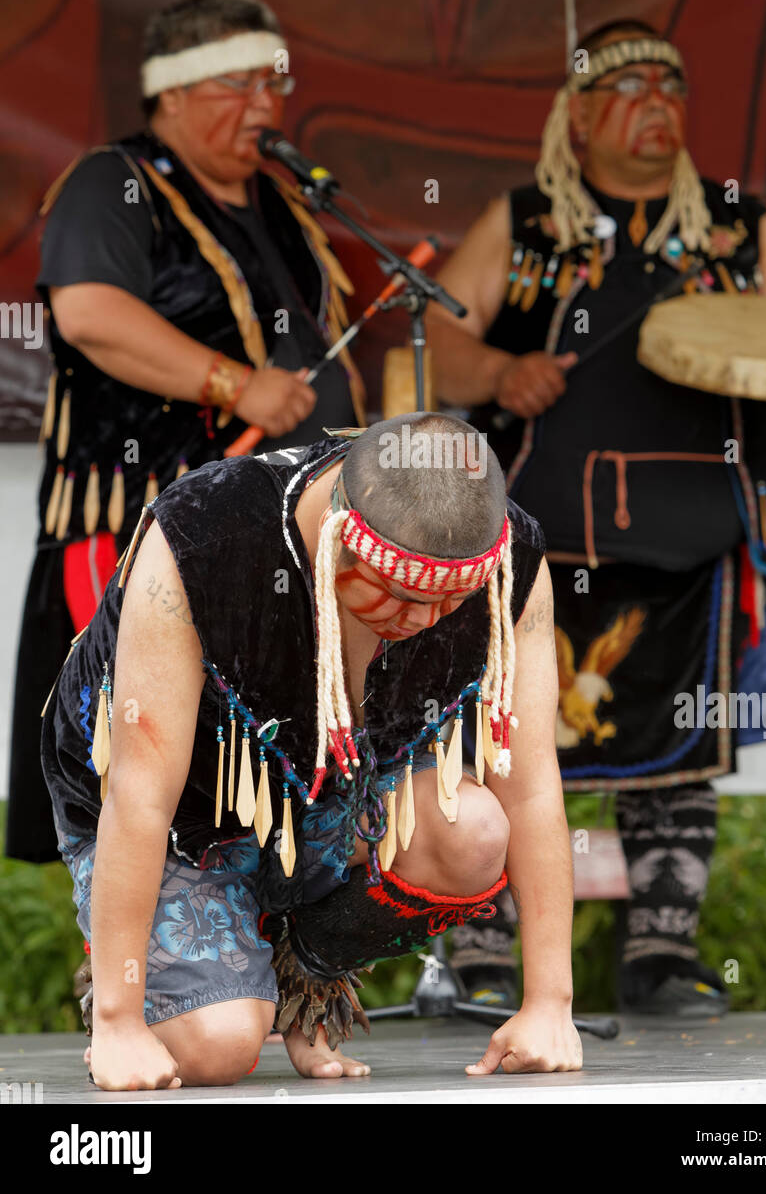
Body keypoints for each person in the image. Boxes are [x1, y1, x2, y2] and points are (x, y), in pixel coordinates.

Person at [425, 19, 766, 1017]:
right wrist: (500, 371)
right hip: (535, 542)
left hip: (692, 534)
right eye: (631, 83)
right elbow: (437, 342)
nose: (658, 100)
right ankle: (477, 959)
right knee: (498, 740)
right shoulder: (523, 222)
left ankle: (658, 953)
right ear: (579, 113)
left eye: (672, 84)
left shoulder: (735, 222)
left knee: (682, 741)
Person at [41, 413, 582, 1087]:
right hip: (182, 820)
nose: (422, 623)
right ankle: (150, 970)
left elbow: (530, 786)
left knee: (472, 831)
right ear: (338, 536)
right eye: (406, 597)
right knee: (218, 1048)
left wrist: (549, 1005)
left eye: (449, 606)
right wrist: (121, 1024)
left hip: (335, 793)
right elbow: (141, 792)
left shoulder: (510, 560)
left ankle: (305, 965)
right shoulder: (206, 532)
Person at [7, 0, 363, 865]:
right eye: (234, 84)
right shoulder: (114, 180)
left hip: (271, 538)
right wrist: (235, 386)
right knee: (143, 748)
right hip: (141, 523)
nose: (264, 105)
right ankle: (130, 969)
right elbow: (89, 313)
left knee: (257, 759)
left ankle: (265, 971)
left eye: (272, 83)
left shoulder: (280, 206)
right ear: (169, 94)